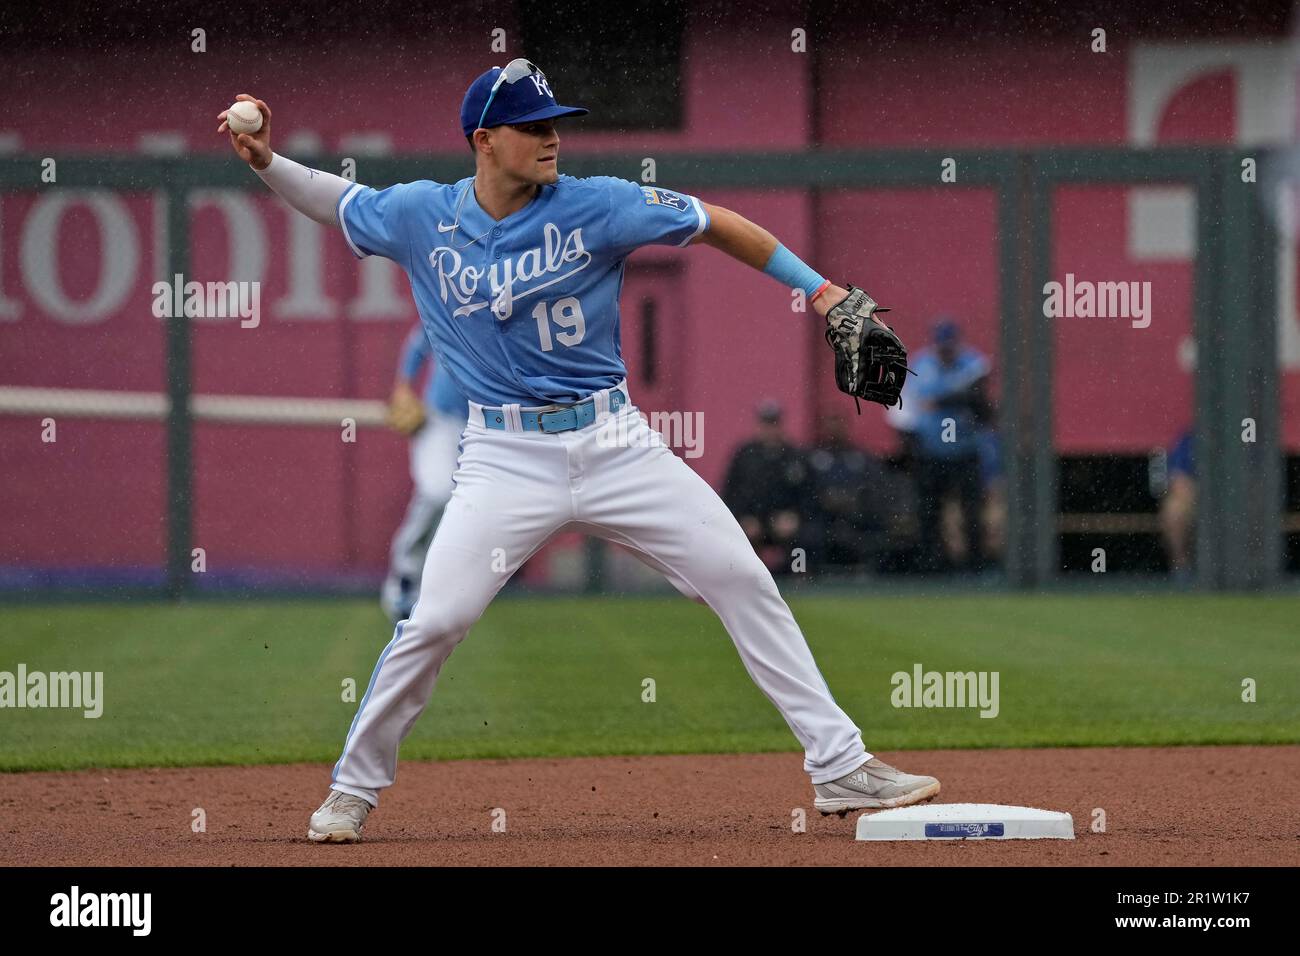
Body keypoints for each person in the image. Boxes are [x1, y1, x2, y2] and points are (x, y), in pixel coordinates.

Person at [218, 59, 939, 844]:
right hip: (502, 457)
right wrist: (266, 161)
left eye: (556, 123)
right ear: (484, 141)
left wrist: (825, 291)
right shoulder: (423, 215)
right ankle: (352, 791)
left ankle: (838, 762)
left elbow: (716, 222)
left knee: (740, 578)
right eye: (535, 127)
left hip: (615, 443)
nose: (553, 137)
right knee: (434, 622)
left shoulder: (601, 205)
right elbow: (337, 200)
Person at [380, 325, 470, 624]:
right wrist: (403, 385)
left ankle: (443, 588)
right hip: (440, 419)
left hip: (492, 424)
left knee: (474, 507)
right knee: (436, 493)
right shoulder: (458, 294)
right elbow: (420, 343)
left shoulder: (516, 303)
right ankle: (405, 578)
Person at [909, 318, 991, 574]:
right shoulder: (920, 364)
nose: (946, 352)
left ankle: (974, 564)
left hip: (964, 450)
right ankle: (932, 564)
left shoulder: (973, 363)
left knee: (972, 511)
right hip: (931, 450)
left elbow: (977, 398)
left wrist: (942, 399)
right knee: (929, 511)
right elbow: (917, 402)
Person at [721, 400, 812, 574]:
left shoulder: (795, 456)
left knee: (806, 538)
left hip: (784, 519)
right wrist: (742, 518)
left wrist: (795, 516)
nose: (770, 428)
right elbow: (730, 492)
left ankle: (797, 577)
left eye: (774, 423)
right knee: (742, 537)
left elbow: (807, 494)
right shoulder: (744, 455)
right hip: (752, 519)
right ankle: (747, 577)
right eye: (766, 423)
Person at [806, 412, 886, 569]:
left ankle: (868, 572)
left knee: (873, 530)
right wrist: (824, 500)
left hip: (857, 516)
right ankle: (807, 572)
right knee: (808, 534)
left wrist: (853, 500)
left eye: (839, 423)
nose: (835, 428)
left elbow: (873, 487)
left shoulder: (861, 457)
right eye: (831, 423)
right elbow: (807, 490)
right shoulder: (812, 457)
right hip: (822, 517)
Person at [1159, 427, 1196, 582]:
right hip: (1194, 499)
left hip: (1230, 502)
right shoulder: (1190, 440)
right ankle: (1182, 566)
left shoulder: (1239, 438)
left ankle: (1247, 568)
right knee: (1174, 509)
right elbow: (1178, 481)